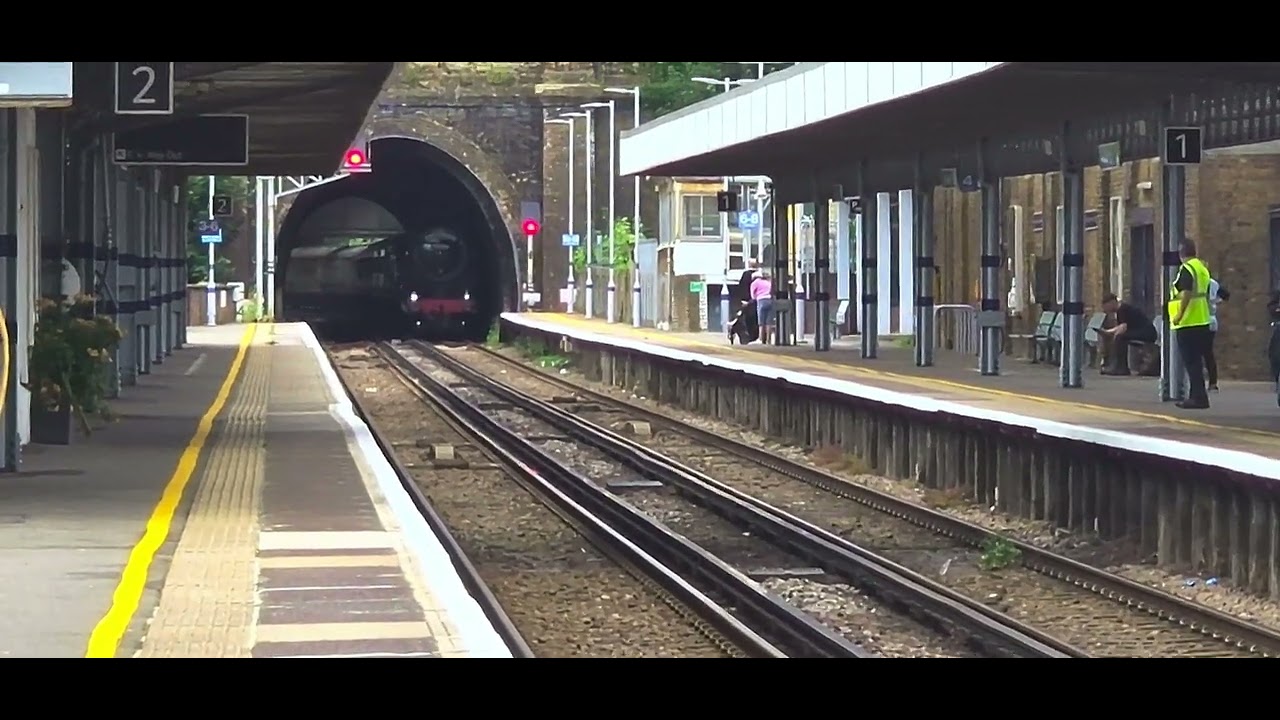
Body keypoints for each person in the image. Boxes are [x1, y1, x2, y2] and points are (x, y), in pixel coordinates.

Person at [1168, 239, 1214, 409]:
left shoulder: (1187, 269)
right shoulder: (1202, 268)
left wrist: (1179, 315)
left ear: (1181, 254)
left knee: (1191, 362)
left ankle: (1198, 398)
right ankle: (1198, 396)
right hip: (1202, 320)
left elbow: (1186, 293)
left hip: (1188, 322)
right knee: (1197, 362)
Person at [1098, 292, 1158, 376]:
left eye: (1106, 306)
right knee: (1119, 337)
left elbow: (1123, 328)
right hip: (1143, 332)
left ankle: (1120, 367)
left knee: (1119, 337)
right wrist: (1109, 332)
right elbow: (1121, 326)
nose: (1106, 310)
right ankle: (1116, 365)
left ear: (1112, 302)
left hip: (1147, 333)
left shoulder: (1123, 309)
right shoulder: (1122, 310)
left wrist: (1110, 333)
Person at [1205, 277, 1230, 392]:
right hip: (1211, 320)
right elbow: (1226, 295)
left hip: (1197, 319)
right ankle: (1213, 383)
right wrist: (1216, 301)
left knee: (1193, 356)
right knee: (1208, 353)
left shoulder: (1195, 280)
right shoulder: (1213, 283)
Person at [750, 270, 773, 345]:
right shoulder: (767, 282)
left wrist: (756, 297)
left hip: (761, 300)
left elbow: (753, 296)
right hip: (770, 300)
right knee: (768, 322)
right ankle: (768, 340)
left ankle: (761, 339)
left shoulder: (754, 283)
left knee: (761, 322)